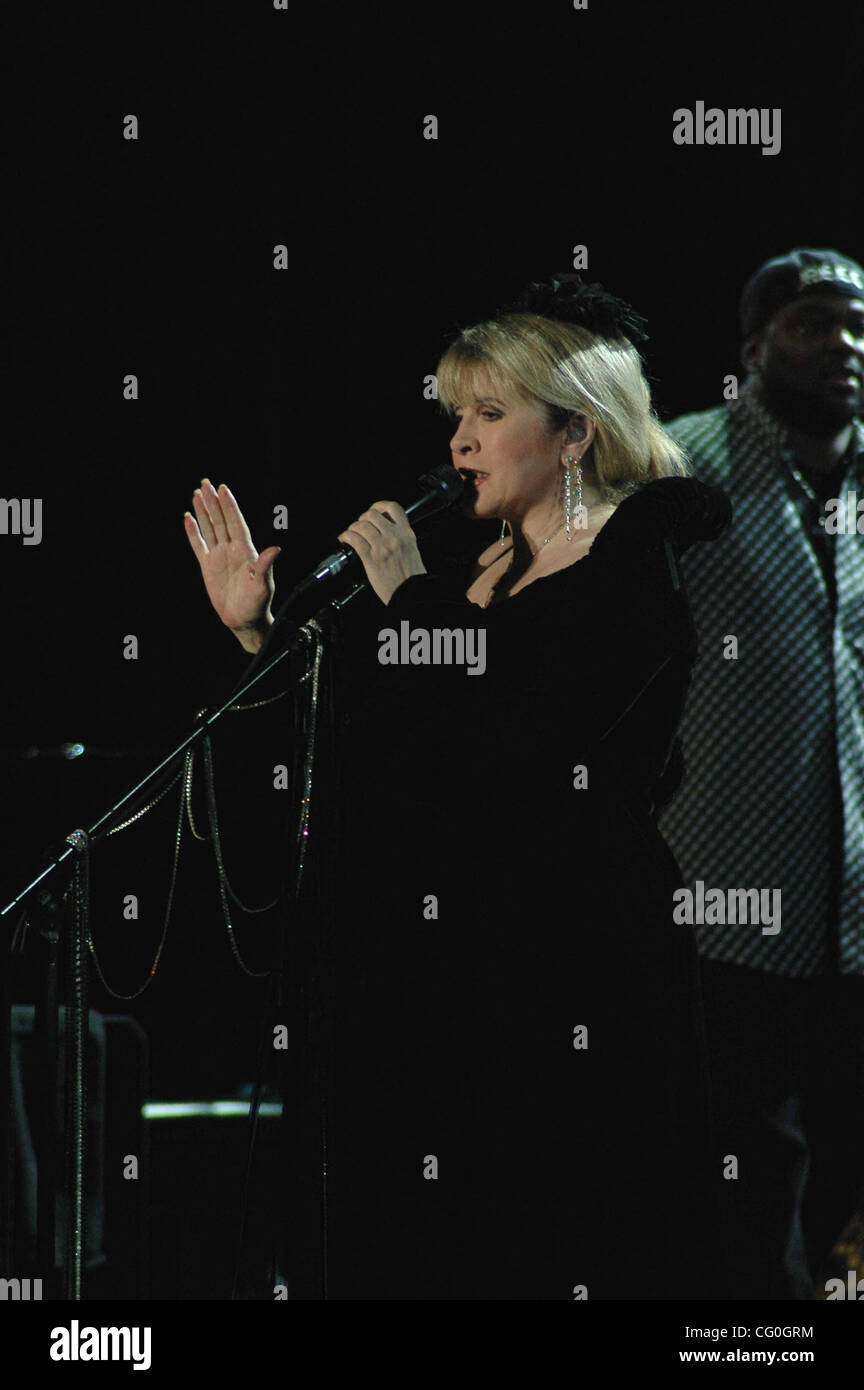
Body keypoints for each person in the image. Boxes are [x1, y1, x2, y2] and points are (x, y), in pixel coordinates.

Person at [184, 274, 732, 1300]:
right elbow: (375, 754)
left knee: (566, 1228)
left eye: (490, 414)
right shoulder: (483, 572)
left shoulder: (630, 557)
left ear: (575, 433)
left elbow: (522, 752)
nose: (460, 443)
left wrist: (413, 599)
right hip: (452, 963)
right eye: (454, 418)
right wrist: (257, 633)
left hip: (572, 960)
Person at [659, 248, 864, 1300]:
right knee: (749, 1199)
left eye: (857, 323)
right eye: (812, 323)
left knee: (847, 1198)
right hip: (734, 901)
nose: (845, 345)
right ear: (752, 348)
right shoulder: (683, 463)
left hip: (861, 910)